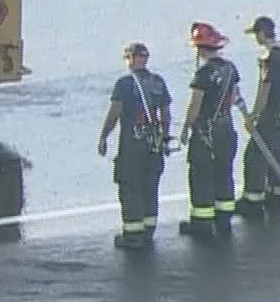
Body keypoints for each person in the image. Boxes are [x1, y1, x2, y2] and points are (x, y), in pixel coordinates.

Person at [97, 41, 172, 249]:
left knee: (130, 186)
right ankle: (148, 230)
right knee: (150, 186)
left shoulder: (125, 83)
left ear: (131, 58)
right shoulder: (158, 82)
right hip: (154, 142)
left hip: (133, 142)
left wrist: (103, 136)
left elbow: (115, 113)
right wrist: (165, 138)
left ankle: (133, 234)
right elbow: (165, 114)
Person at [178, 21, 243, 241]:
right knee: (224, 172)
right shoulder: (230, 69)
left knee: (201, 175)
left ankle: (202, 222)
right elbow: (234, 97)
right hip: (226, 127)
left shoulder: (203, 75)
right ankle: (224, 218)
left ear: (200, 49)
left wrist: (186, 129)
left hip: (206, 131)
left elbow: (195, 106)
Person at [239, 14, 280, 222]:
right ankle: (278, 196)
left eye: (256, 34)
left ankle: (253, 201)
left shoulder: (269, 57)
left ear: (262, 33)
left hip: (270, 113)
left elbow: (265, 88)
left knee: (255, 154)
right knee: (279, 152)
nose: (256, 39)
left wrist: (253, 115)